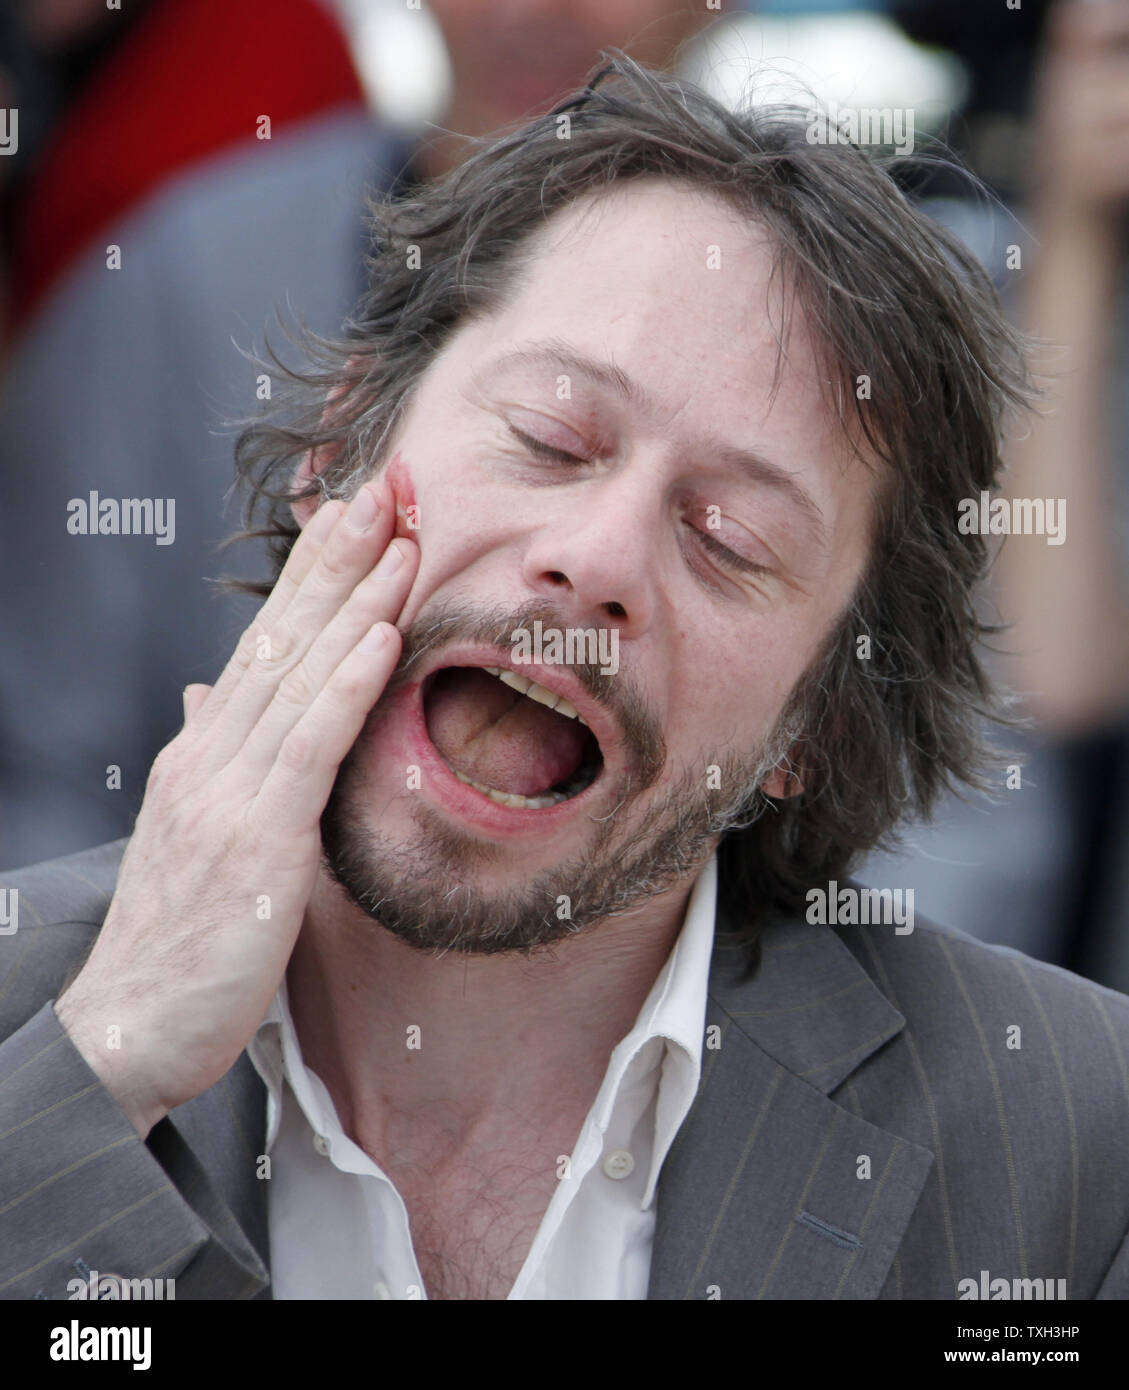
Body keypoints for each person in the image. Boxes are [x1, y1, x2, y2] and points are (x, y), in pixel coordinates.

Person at [1, 56, 1127, 1302]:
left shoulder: (1075, 1147)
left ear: (815, 719)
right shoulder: (26, 1012)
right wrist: (100, 1071)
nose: (597, 562)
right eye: (550, 436)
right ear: (340, 448)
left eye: (730, 538)